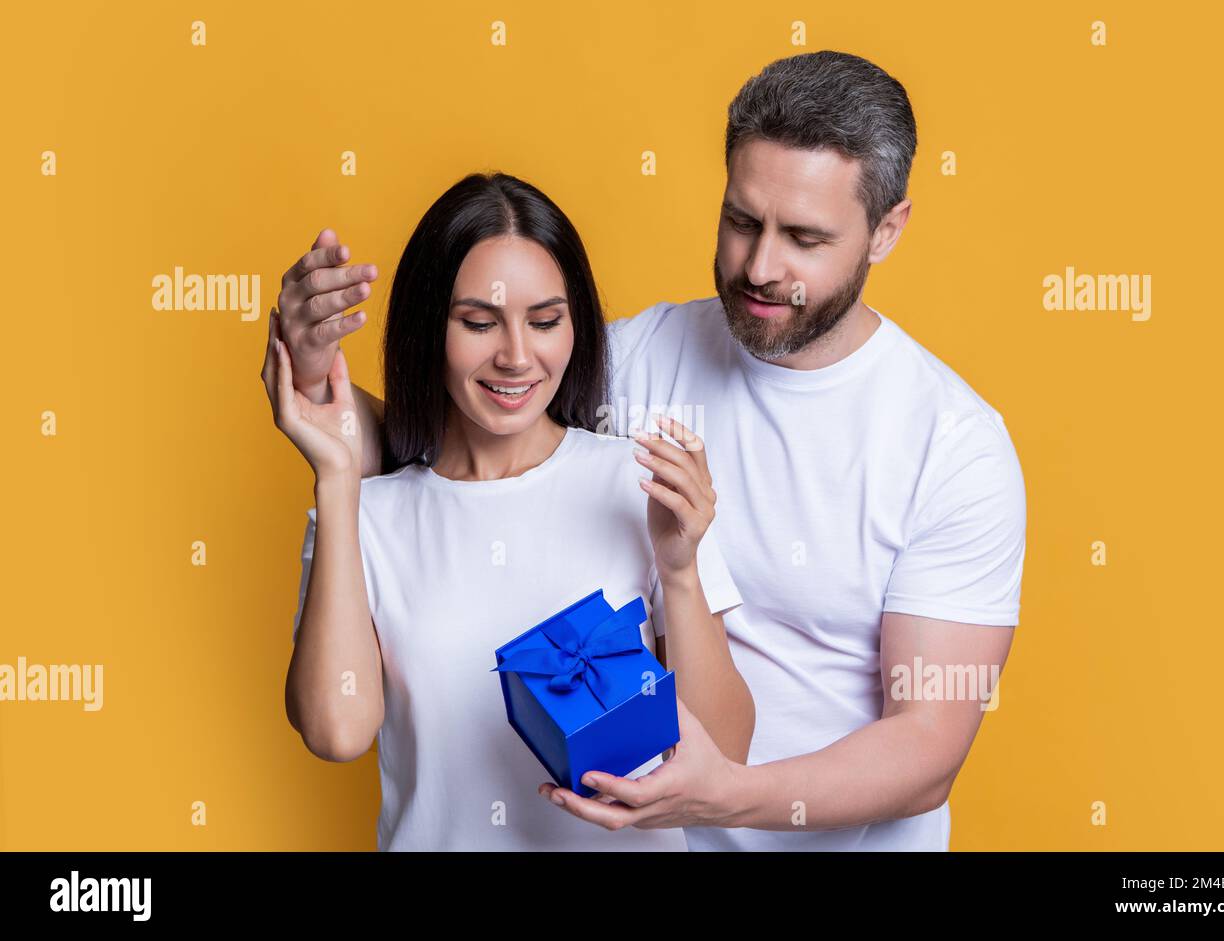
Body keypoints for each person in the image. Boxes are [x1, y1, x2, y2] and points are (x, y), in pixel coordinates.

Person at [273, 50, 1027, 852]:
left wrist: (724, 795)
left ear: (886, 231)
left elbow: (927, 751)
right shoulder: (633, 364)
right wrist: (310, 368)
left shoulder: (953, 446)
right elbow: (470, 450)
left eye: (804, 237)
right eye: (742, 221)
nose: (761, 266)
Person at [262, 172, 752, 851]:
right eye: (479, 322)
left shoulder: (634, 480)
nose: (518, 356)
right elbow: (337, 730)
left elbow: (723, 752)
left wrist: (682, 570)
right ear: (429, 327)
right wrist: (336, 477)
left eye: (545, 321)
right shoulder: (364, 513)